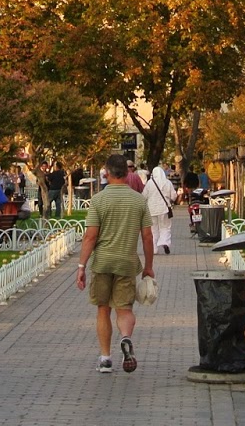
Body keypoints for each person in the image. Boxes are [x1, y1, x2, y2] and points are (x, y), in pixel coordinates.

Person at [76, 153, 154, 375]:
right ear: (128, 173)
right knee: (124, 308)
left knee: (103, 309)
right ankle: (126, 337)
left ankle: (105, 358)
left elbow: (90, 236)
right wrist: (148, 266)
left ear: (107, 173)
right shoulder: (138, 200)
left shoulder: (98, 200)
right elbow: (147, 236)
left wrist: (81, 266)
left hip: (102, 263)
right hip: (127, 263)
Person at [143, 164, 176, 255]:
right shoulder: (167, 182)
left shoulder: (150, 183)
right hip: (164, 209)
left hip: (151, 209)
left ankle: (154, 249)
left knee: (153, 229)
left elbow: (144, 195)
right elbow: (173, 196)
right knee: (165, 227)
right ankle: (165, 242)